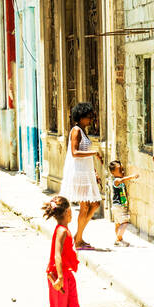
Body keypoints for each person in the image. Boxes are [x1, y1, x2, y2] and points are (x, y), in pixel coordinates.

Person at [43, 195, 97, 307]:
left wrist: (92, 210)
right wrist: (59, 277)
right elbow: (57, 255)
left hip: (67, 276)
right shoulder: (61, 231)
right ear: (67, 212)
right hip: (59, 277)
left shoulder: (65, 230)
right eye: (71, 210)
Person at [61, 102, 102, 250]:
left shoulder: (83, 131)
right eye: (88, 117)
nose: (90, 119)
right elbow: (75, 152)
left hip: (86, 172)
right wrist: (95, 152)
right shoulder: (76, 131)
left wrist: (95, 172)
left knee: (95, 204)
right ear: (81, 117)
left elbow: (85, 155)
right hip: (79, 173)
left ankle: (78, 236)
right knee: (85, 206)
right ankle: (78, 241)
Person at [108, 161, 139, 246]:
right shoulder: (116, 180)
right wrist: (132, 177)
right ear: (113, 172)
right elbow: (121, 180)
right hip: (118, 206)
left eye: (123, 169)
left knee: (118, 224)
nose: (122, 171)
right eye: (120, 169)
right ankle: (118, 239)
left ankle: (119, 239)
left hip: (118, 206)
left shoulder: (119, 181)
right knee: (125, 222)